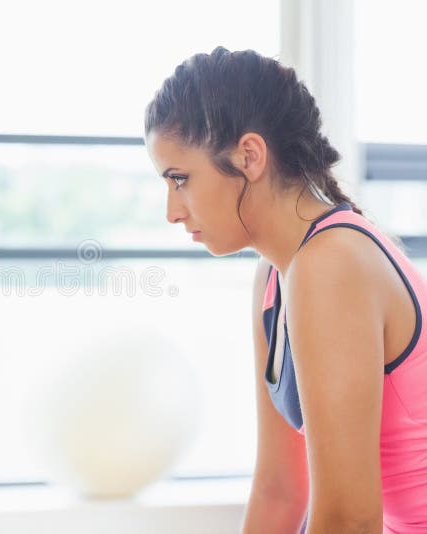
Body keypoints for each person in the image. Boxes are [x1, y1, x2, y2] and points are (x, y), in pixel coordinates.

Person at [145, 47, 427, 533]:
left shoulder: (331, 264)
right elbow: (280, 490)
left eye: (180, 180)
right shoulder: (275, 274)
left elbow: (349, 523)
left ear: (249, 156)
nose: (172, 211)